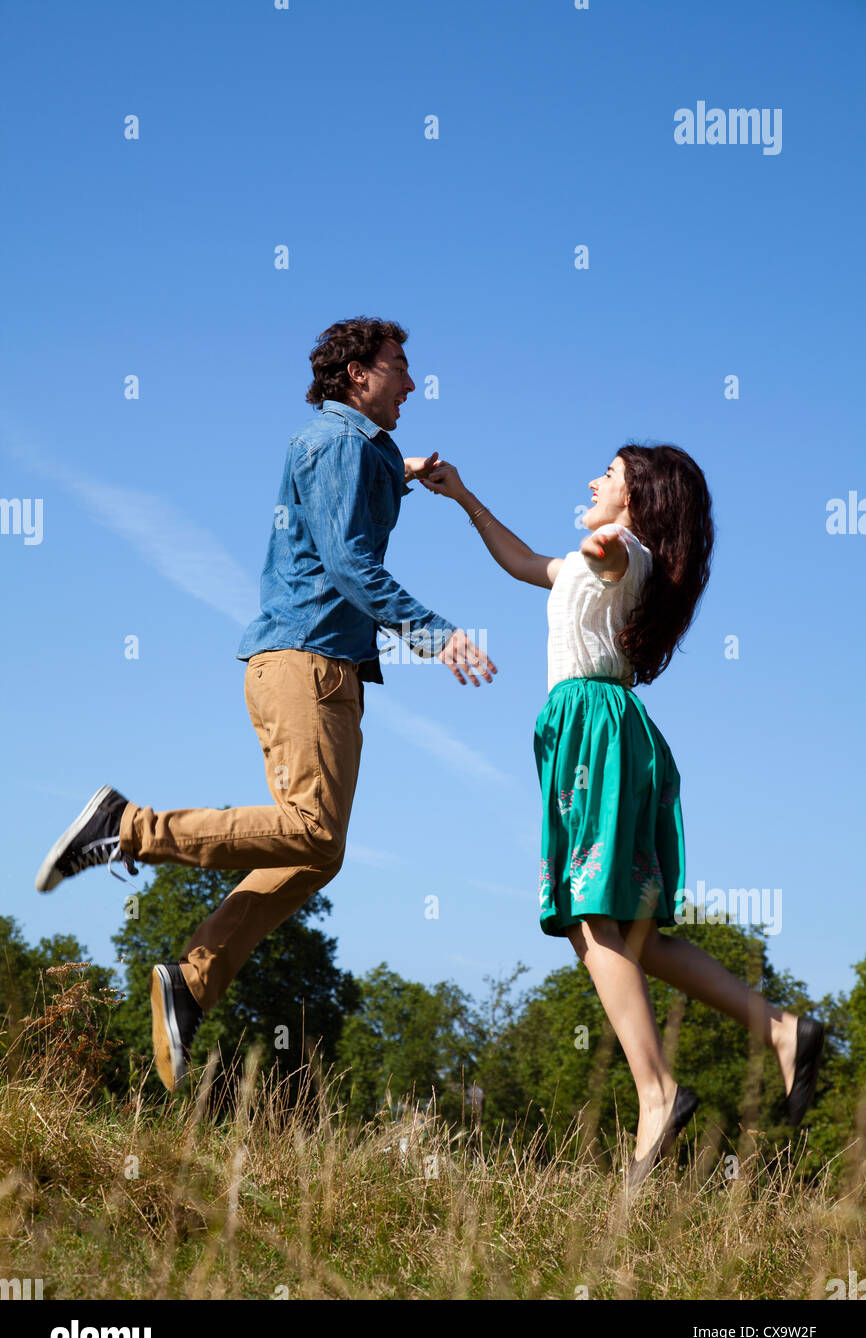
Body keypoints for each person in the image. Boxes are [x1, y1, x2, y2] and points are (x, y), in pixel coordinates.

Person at [34, 316, 496, 1093]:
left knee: (317, 852)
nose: (412, 383)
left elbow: (346, 502)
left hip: (329, 668)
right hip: (306, 663)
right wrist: (434, 633)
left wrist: (403, 469)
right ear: (357, 376)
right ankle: (127, 828)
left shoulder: (357, 448)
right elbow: (348, 560)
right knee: (313, 832)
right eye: (398, 368)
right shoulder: (335, 444)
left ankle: (190, 981)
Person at [419, 445, 825, 1190]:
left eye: (607, 474)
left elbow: (600, 555)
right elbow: (527, 565)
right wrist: (465, 500)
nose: (591, 481)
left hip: (592, 731)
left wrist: (600, 542)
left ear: (637, 497)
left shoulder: (623, 551)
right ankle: (778, 1027)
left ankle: (657, 1094)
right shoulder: (600, 561)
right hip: (610, 730)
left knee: (584, 915)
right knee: (633, 930)